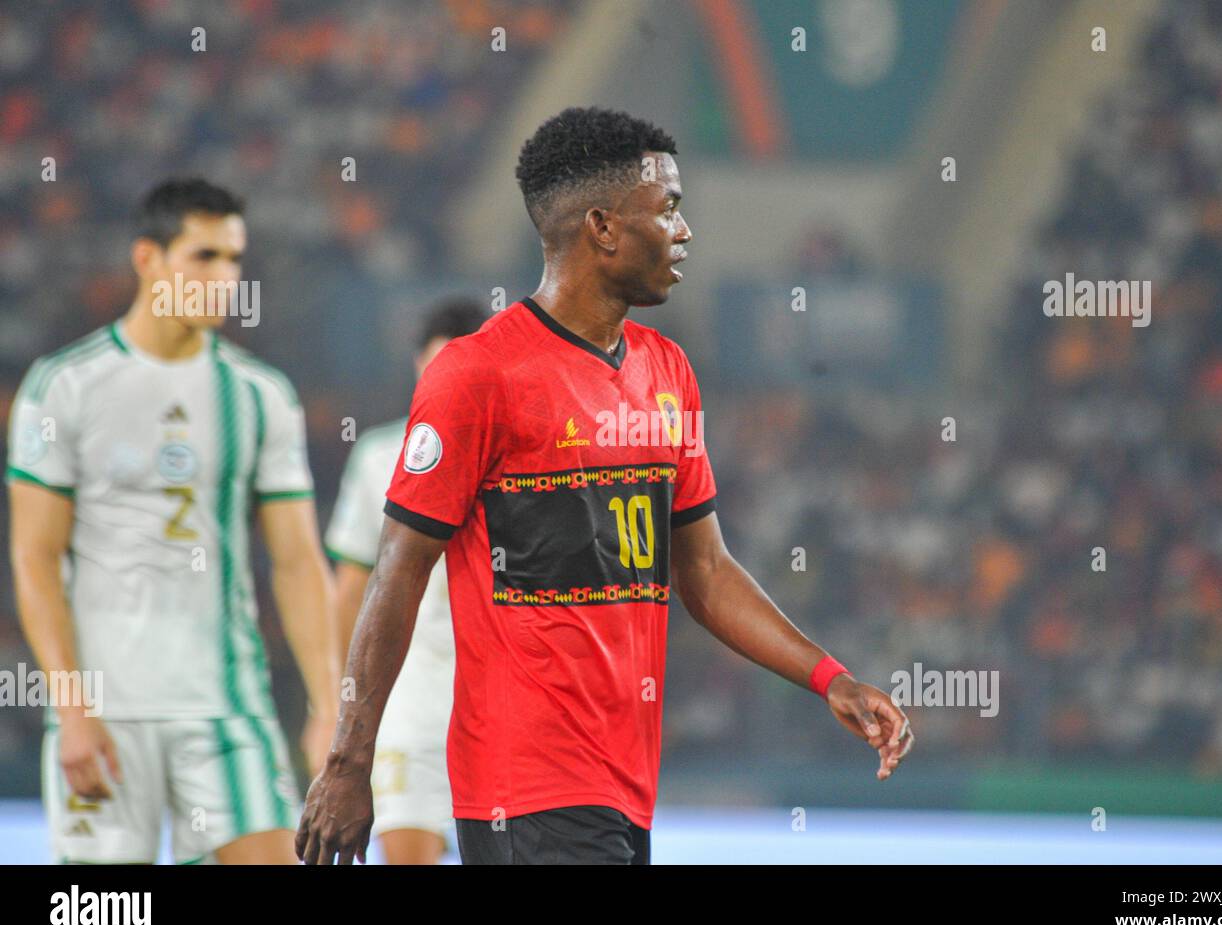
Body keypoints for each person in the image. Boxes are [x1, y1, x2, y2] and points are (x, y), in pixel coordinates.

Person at [297, 107, 913, 866]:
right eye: (669, 209)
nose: (684, 231)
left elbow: (707, 572)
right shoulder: (479, 375)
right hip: (525, 786)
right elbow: (396, 572)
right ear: (603, 227)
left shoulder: (667, 372)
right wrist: (349, 766)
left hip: (624, 782)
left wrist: (829, 677)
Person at [8, 178, 338, 864]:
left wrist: (328, 702)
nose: (225, 278)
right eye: (205, 257)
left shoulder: (260, 396)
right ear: (148, 260)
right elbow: (34, 557)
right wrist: (71, 710)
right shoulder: (63, 385)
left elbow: (299, 561)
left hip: (226, 707)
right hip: (106, 709)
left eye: (234, 259)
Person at [324, 298, 485, 864]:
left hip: (493, 700)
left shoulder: (518, 456)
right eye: (438, 367)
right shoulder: (379, 455)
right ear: (419, 367)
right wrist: (337, 701)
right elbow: (350, 589)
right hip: (406, 698)